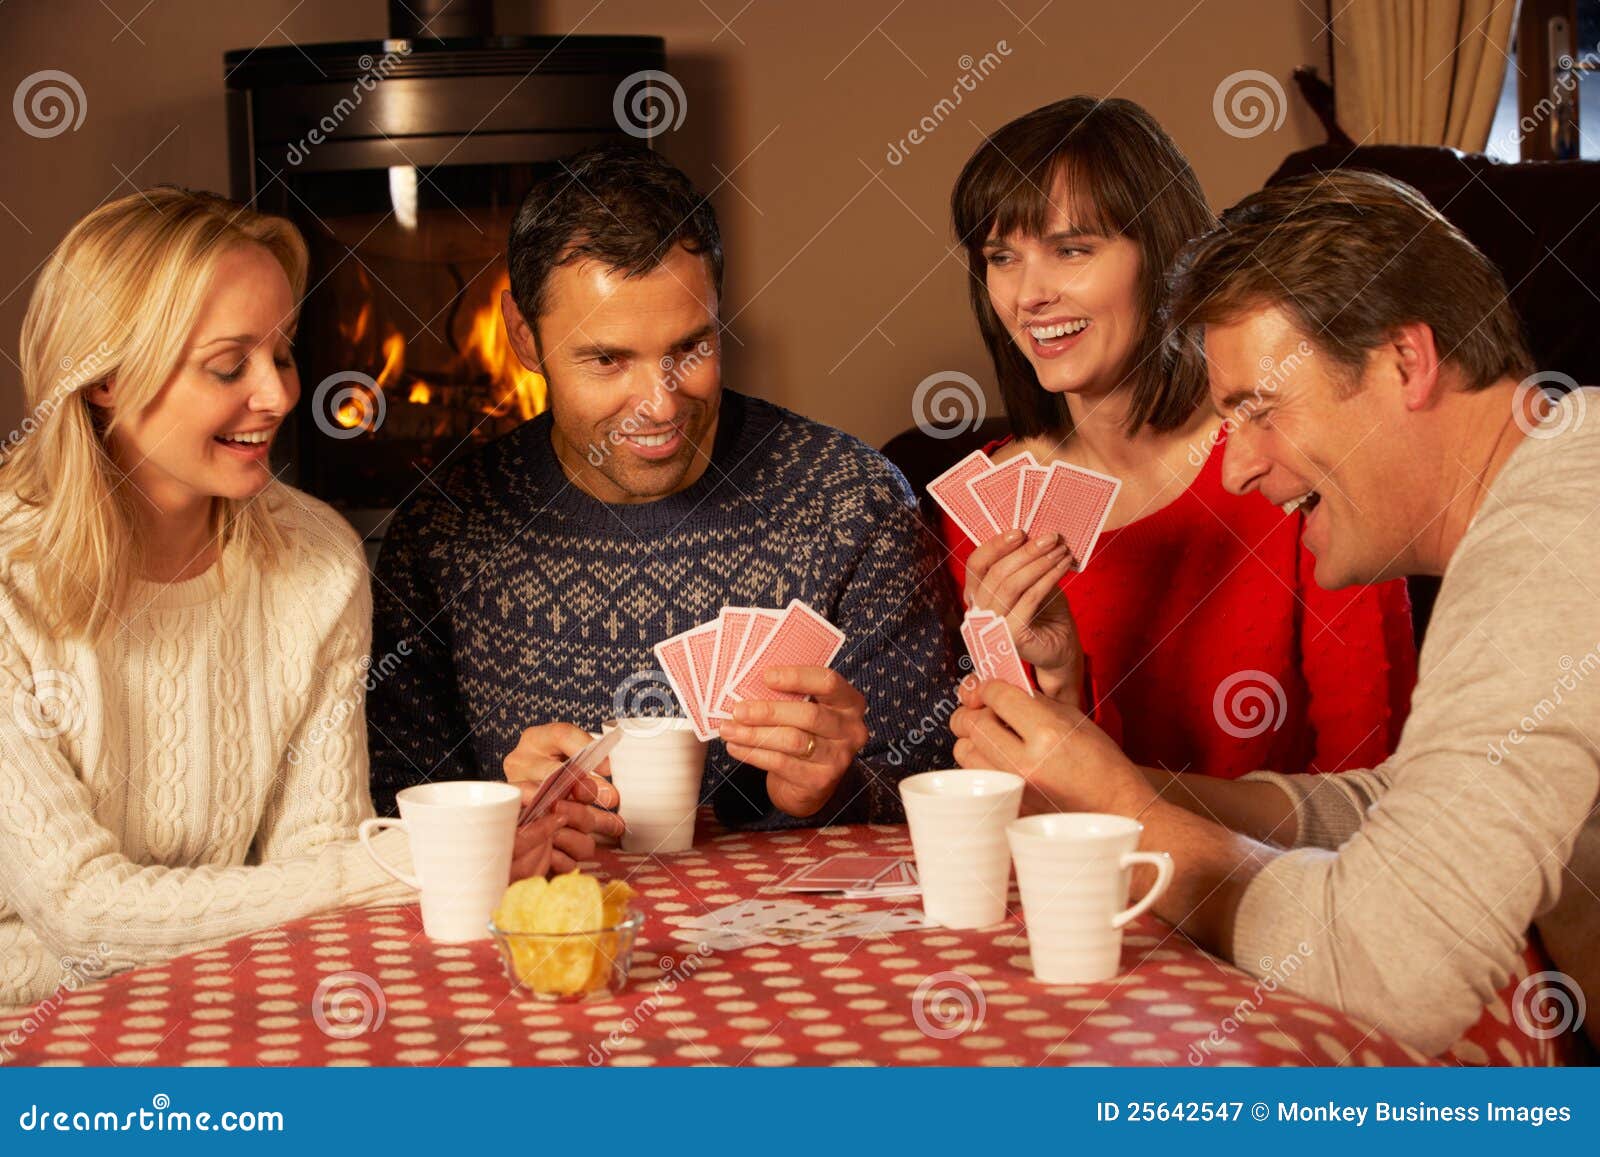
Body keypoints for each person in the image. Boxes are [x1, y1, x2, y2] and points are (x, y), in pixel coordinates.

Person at [950, 169, 1599, 1054]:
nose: (1236, 468)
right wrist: (1120, 787)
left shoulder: (1556, 536)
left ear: (1405, 361)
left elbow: (1387, 969)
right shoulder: (1556, 480)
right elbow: (1405, 804)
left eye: (1258, 410)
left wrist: (1134, 826)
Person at [0, 189, 573, 1008]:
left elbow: (317, 867)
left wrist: (365, 877)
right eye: (229, 365)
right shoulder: (7, 583)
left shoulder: (317, 561)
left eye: (283, 352)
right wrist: (413, 862)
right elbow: (82, 915)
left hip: (236, 991)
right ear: (106, 378)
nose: (276, 395)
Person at [368, 144, 960, 828]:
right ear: (523, 340)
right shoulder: (441, 531)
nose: (660, 403)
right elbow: (392, 820)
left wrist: (840, 788)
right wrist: (499, 813)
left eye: (690, 348)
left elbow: (949, 793)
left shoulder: (852, 501)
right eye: (607, 359)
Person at [942, 97, 1415, 778]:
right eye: (1002, 256)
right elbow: (1018, 818)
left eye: (1072, 249)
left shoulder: (1298, 467)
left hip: (1287, 881)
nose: (1028, 294)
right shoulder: (979, 512)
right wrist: (1063, 694)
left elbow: (1374, 793)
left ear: (1162, 256)